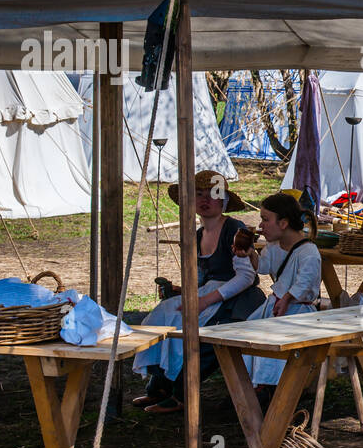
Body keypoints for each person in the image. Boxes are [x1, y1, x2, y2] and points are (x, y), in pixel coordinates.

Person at [132, 171, 262, 414]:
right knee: (161, 318)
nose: (205, 200)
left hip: (239, 301)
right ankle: (160, 387)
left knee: (199, 337)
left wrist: (204, 301)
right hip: (209, 296)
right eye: (198, 194)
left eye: (213, 194)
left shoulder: (235, 229)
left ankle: (182, 394)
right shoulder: (197, 235)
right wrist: (180, 291)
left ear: (223, 200)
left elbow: (246, 277)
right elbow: (201, 277)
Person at [238, 192, 323, 399]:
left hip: (299, 311)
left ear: (283, 223)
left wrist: (286, 298)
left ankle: (274, 390)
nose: (261, 225)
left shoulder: (309, 252)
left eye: (266, 220)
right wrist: (250, 254)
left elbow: (305, 283)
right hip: (277, 306)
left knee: (274, 345)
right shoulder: (274, 247)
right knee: (248, 334)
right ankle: (253, 386)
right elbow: (264, 267)